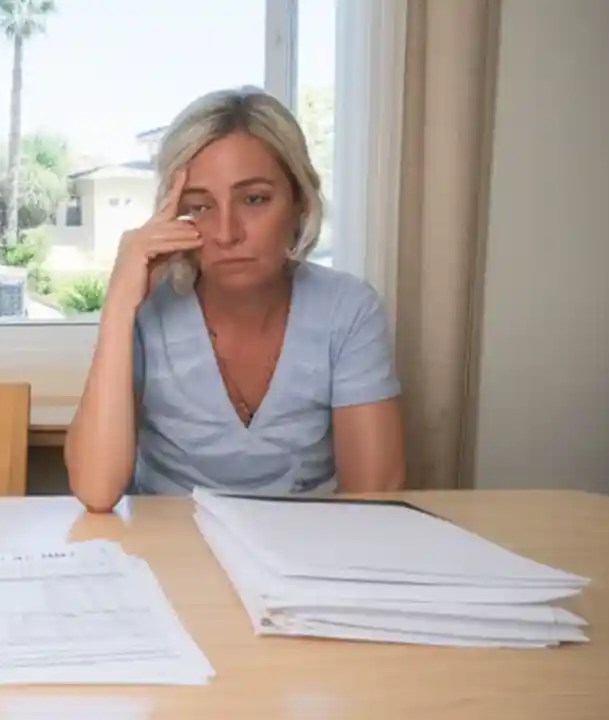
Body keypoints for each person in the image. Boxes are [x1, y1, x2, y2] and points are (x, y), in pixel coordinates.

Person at [64, 86, 406, 513]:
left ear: (299, 201)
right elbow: (96, 492)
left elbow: (372, 499)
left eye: (254, 199)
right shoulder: (148, 312)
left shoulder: (349, 310)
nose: (227, 233)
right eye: (200, 206)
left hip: (308, 555)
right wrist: (118, 305)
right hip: (171, 558)